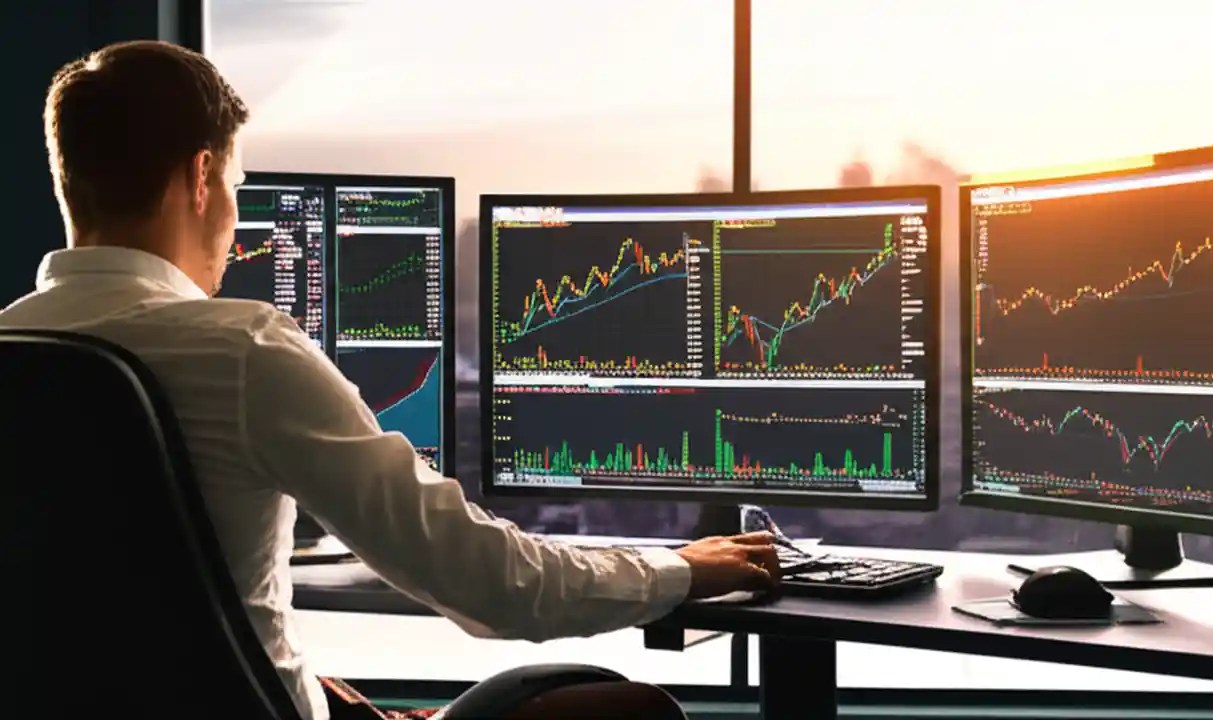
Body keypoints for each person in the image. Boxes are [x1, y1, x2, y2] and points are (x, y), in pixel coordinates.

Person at [1, 40, 780, 720]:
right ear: (203, 176)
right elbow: (485, 581)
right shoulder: (242, 350)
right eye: (236, 184)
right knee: (627, 708)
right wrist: (677, 568)